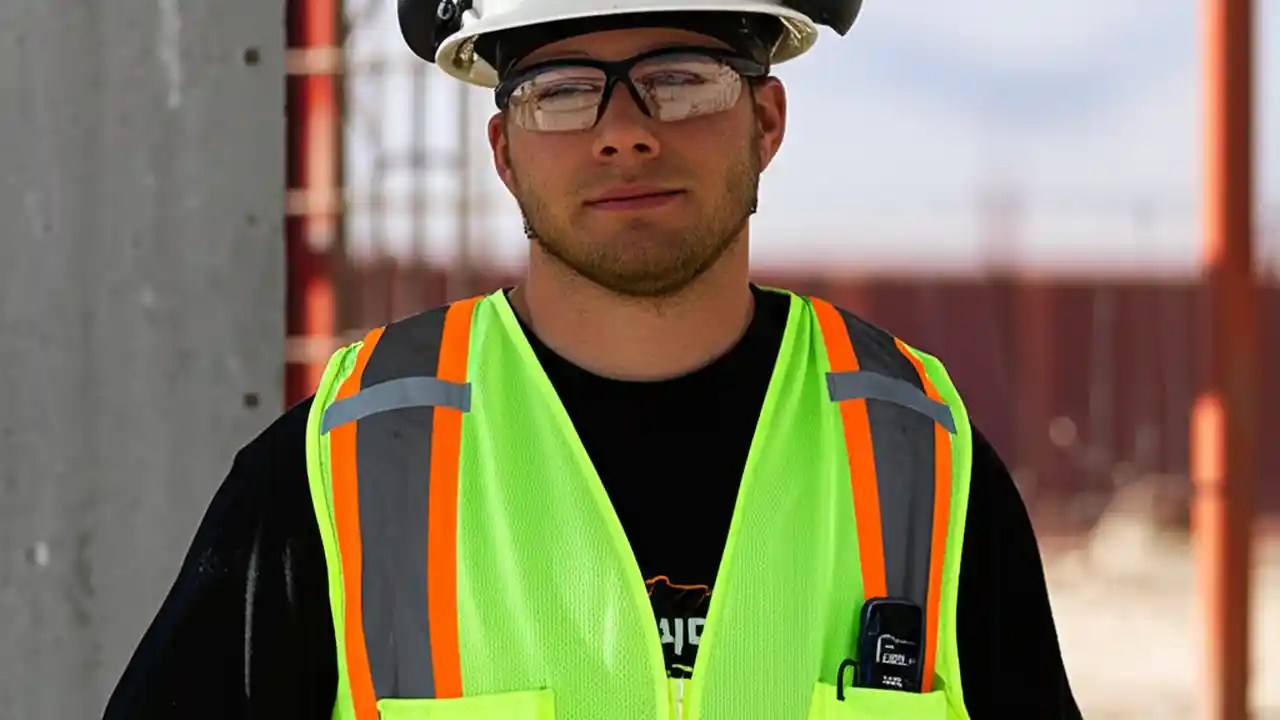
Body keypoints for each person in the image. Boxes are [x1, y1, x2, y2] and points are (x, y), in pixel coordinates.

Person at [105, 0, 1081, 718]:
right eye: (563, 93)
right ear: (503, 151)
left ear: (767, 122)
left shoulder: (919, 462)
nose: (623, 132)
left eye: (679, 79)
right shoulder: (342, 468)